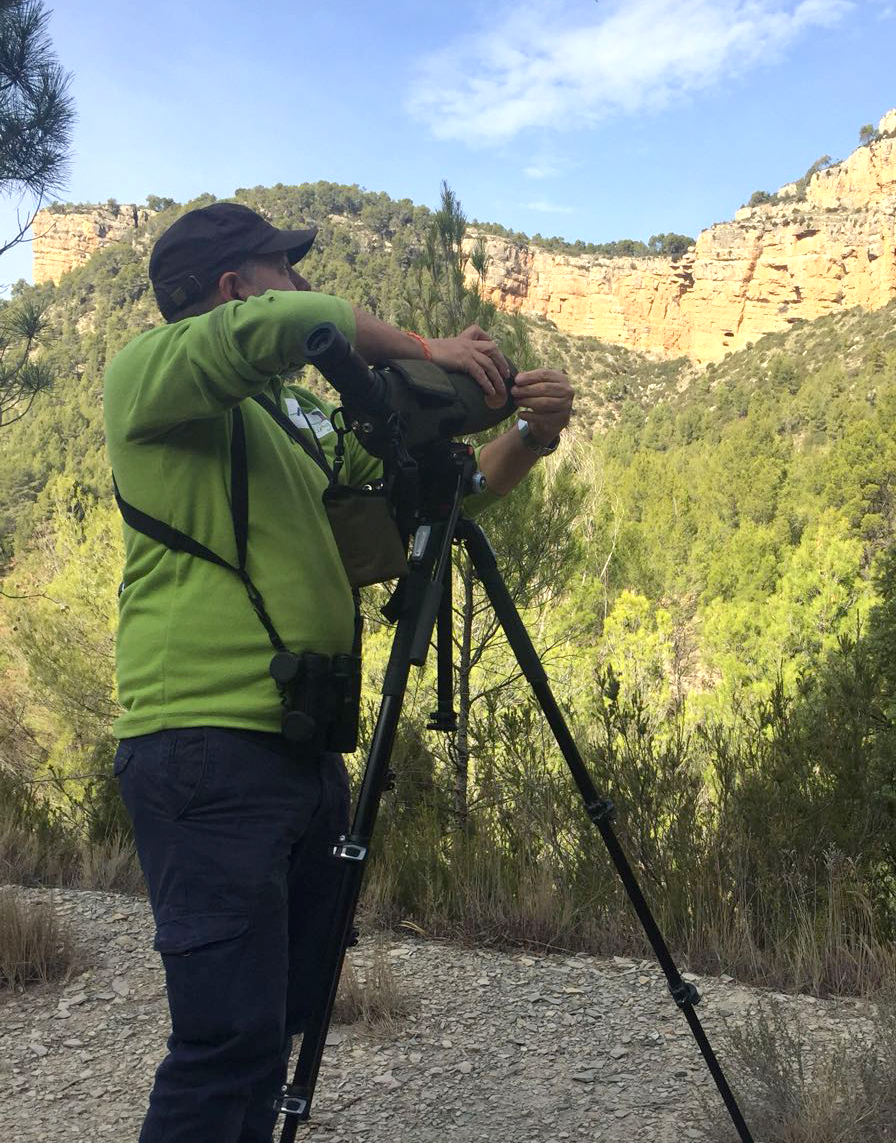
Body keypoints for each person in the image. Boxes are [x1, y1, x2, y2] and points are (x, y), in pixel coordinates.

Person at [104, 201, 574, 1142]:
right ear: (234, 286)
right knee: (225, 1044)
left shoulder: (295, 418)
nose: (301, 280)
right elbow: (296, 322)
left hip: (300, 742)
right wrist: (428, 346)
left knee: (276, 1025)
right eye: (284, 265)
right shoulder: (148, 376)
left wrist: (525, 431)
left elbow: (438, 496)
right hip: (203, 743)